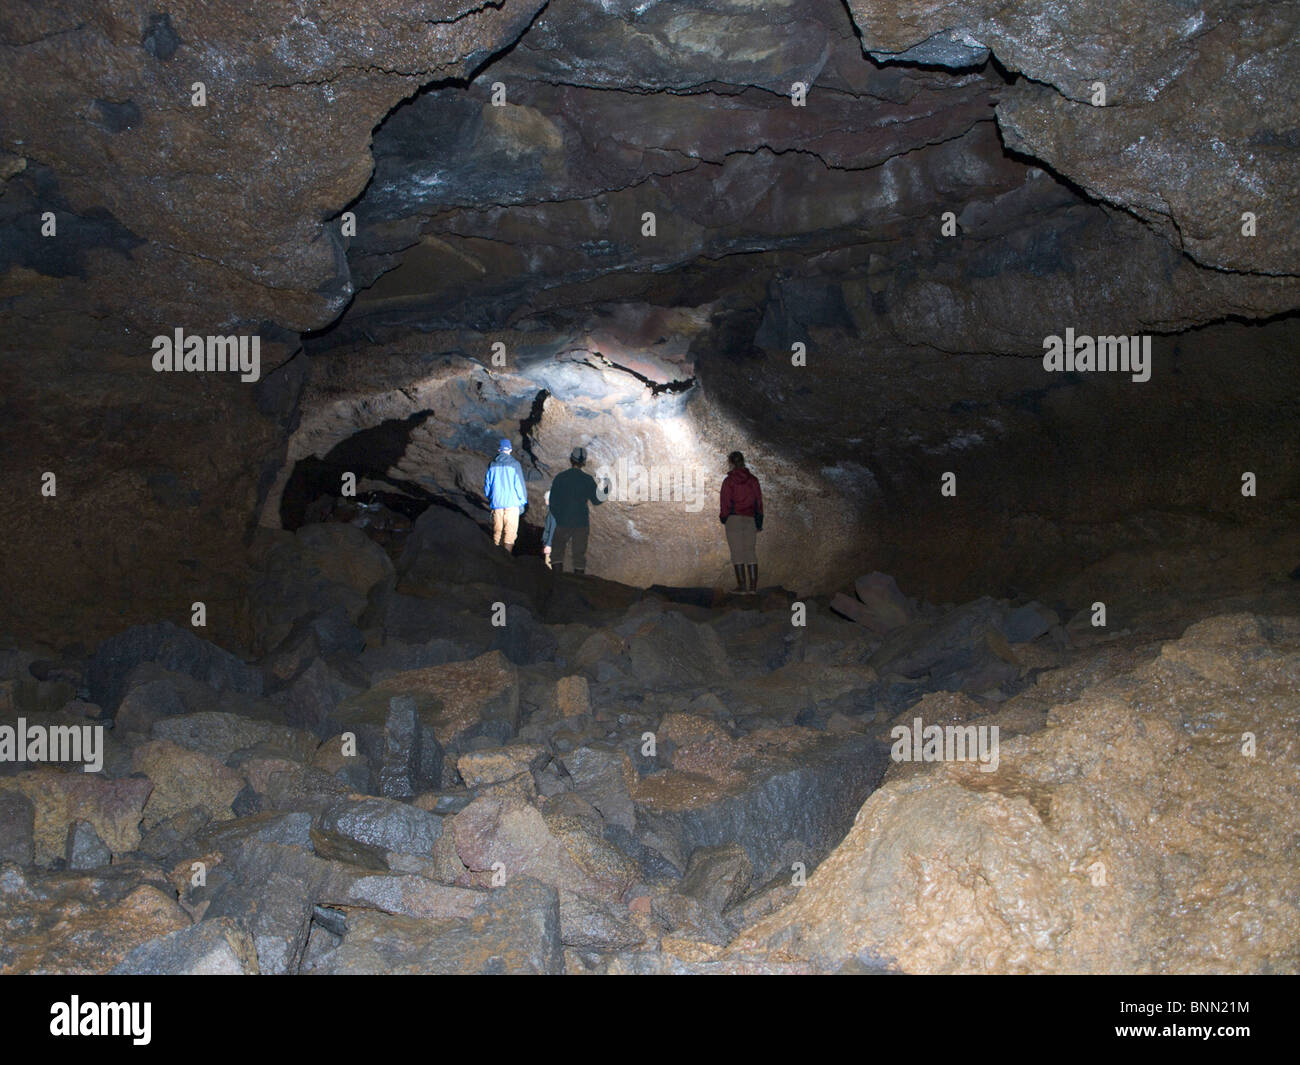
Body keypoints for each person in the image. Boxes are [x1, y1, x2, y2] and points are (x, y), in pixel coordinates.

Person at [548, 446, 610, 574]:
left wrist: (559, 517)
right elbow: (597, 500)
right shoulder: (587, 479)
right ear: (584, 462)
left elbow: (553, 502)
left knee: (557, 554)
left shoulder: (560, 477)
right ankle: (579, 585)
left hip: (563, 521)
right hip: (581, 522)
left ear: (571, 459)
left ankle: (556, 581)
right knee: (579, 557)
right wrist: (607, 487)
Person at [720, 450, 763, 594]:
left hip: (734, 519)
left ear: (731, 463)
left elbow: (725, 502)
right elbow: (758, 502)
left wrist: (724, 518)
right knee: (751, 552)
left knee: (737, 553)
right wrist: (758, 522)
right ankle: (753, 588)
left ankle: (742, 587)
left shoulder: (729, 481)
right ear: (743, 461)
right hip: (750, 519)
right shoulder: (753, 480)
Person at [483, 438, 527, 553]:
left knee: (498, 533)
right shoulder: (515, 465)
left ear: (499, 450)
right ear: (510, 450)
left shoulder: (492, 465)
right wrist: (522, 503)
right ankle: (506, 561)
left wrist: (492, 499)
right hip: (512, 505)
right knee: (510, 534)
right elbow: (519, 486)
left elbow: (488, 487)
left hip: (497, 504)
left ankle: (496, 560)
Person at [541, 490, 556, 569]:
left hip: (552, 545)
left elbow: (553, 529)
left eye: (546, 499)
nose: (545, 500)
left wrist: (549, 545)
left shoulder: (553, 513)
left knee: (549, 565)